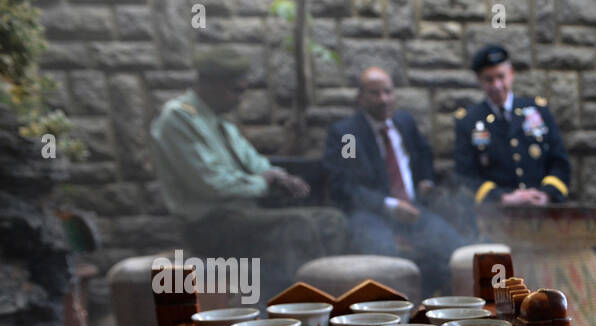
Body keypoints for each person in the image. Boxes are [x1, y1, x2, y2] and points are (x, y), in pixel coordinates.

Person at [150, 50, 339, 302]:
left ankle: (330, 298)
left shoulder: (222, 124)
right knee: (298, 226)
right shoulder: (178, 119)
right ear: (209, 84)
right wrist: (264, 183)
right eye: (236, 90)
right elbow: (212, 186)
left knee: (331, 221)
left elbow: (256, 163)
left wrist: (281, 177)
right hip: (209, 224)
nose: (241, 99)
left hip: (242, 214)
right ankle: (288, 307)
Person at [323, 67, 465, 297]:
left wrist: (425, 181)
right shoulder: (348, 136)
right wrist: (389, 205)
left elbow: (423, 154)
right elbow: (345, 187)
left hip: (413, 211)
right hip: (371, 215)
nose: (384, 100)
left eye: (388, 92)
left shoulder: (404, 122)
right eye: (375, 93)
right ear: (360, 98)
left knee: (452, 246)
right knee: (386, 260)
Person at [453, 45, 572, 206]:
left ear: (511, 74)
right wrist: (502, 198)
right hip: (496, 216)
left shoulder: (537, 111)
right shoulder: (469, 121)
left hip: (542, 212)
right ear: (479, 81)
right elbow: (465, 175)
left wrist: (546, 194)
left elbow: (559, 162)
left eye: (501, 77)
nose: (497, 85)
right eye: (489, 80)